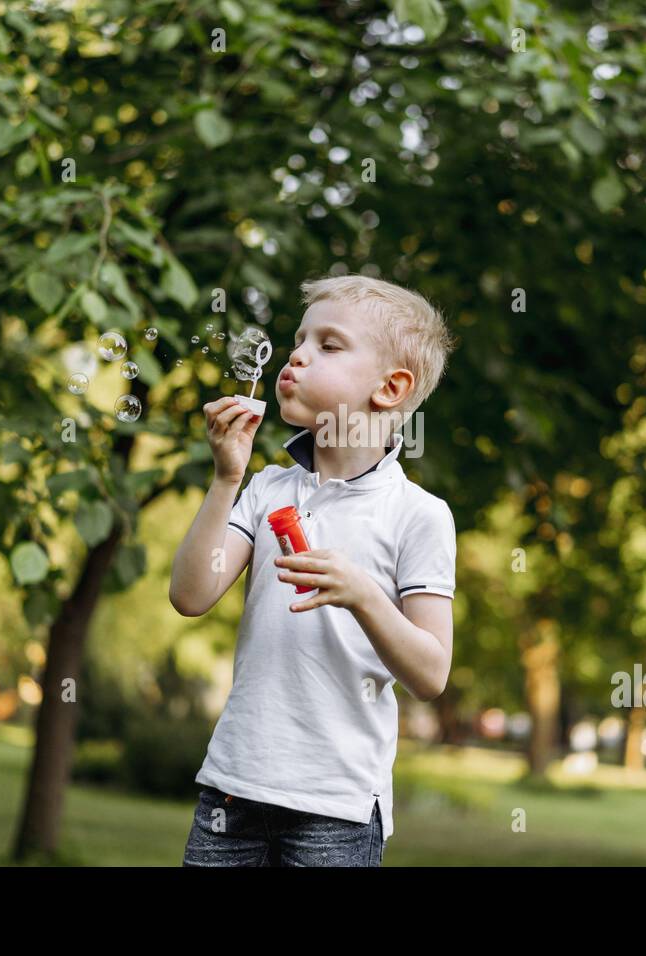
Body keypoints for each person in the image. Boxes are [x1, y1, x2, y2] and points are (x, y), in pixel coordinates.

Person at [170, 274, 458, 866]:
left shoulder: (418, 515)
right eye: (298, 339)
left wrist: (364, 595)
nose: (295, 354)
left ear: (390, 388)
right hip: (234, 784)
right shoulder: (264, 488)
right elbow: (191, 595)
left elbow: (431, 673)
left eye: (328, 345)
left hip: (337, 803)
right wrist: (227, 478)